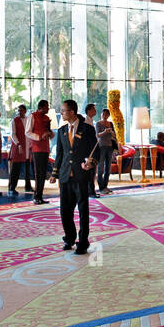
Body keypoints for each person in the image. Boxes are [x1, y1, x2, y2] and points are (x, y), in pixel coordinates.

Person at [51, 99, 96, 254]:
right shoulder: (62, 130)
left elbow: (95, 151)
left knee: (83, 210)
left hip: (81, 175)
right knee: (65, 211)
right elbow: (60, 154)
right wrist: (54, 173)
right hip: (65, 176)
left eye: (63, 110)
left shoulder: (87, 129)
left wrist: (91, 163)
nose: (61, 113)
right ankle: (69, 238)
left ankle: (83, 242)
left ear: (72, 111)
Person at [28, 100, 53, 204]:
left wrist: (50, 134)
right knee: (38, 173)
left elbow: (50, 133)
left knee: (43, 173)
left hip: (46, 147)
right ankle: (36, 197)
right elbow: (27, 132)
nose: (48, 109)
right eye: (47, 107)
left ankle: (40, 196)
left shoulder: (47, 118)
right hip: (37, 148)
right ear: (41, 107)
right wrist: (39, 137)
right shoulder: (32, 116)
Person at [7, 104, 32, 196]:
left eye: (21, 110)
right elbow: (13, 134)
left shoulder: (29, 120)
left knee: (27, 169)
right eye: (18, 110)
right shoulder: (14, 121)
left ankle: (28, 186)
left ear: (25, 111)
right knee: (15, 169)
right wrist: (18, 143)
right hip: (18, 147)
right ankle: (12, 188)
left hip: (27, 147)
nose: (19, 112)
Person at [95, 107, 119, 193]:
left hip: (110, 146)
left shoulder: (111, 124)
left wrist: (111, 132)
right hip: (101, 146)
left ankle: (105, 186)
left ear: (108, 115)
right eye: (103, 114)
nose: (104, 116)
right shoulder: (98, 123)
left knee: (108, 167)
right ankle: (101, 187)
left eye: (106, 114)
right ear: (101, 114)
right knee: (100, 166)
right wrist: (105, 132)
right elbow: (97, 135)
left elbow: (115, 135)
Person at [84, 104, 99, 199]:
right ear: (89, 110)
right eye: (93, 109)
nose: (95, 111)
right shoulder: (85, 121)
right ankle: (90, 191)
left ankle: (91, 190)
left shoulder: (91, 120)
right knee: (90, 171)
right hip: (89, 150)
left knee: (92, 171)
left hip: (93, 148)